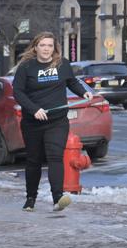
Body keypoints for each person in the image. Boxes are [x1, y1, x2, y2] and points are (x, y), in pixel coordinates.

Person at [12, 32, 93, 212]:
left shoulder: (62, 64)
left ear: (54, 48)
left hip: (57, 121)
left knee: (55, 156)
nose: (46, 49)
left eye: (49, 45)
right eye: (42, 45)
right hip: (33, 122)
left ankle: (57, 197)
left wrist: (83, 92)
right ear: (35, 47)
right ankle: (30, 198)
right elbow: (18, 92)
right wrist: (34, 109)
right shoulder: (26, 67)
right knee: (34, 160)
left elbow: (72, 82)